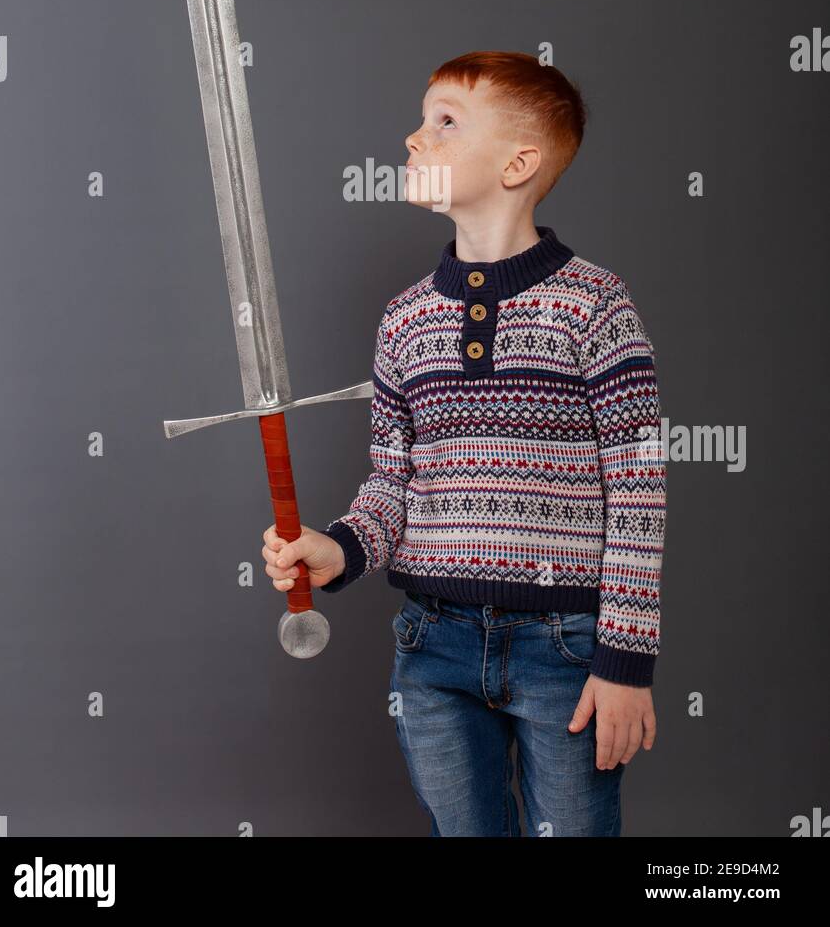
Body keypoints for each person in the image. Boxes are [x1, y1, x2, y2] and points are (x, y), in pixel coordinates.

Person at [262, 50, 667, 837]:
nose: (415, 139)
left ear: (520, 162)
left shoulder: (596, 305)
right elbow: (393, 484)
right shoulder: (404, 319)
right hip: (433, 643)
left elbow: (641, 494)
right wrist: (338, 548)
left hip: (566, 649)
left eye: (445, 122)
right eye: (421, 120)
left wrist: (625, 661)